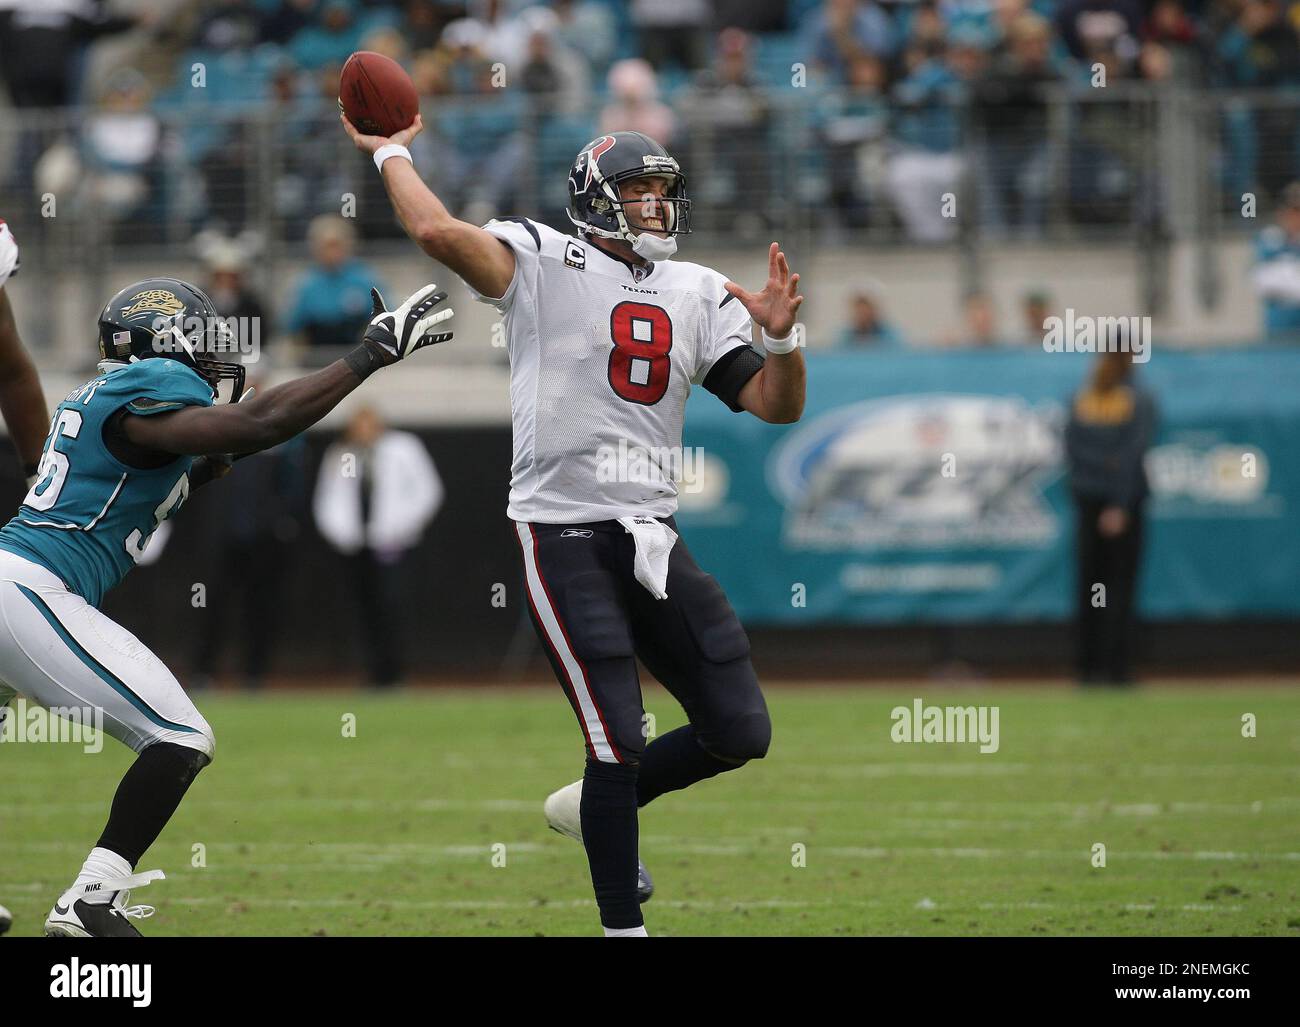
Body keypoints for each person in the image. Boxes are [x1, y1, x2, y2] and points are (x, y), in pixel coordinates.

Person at [342, 114, 805, 937]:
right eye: (640, 191)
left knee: (741, 728)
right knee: (617, 739)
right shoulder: (545, 259)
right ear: (596, 199)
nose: (658, 207)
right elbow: (434, 230)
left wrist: (784, 339)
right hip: (562, 533)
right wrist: (390, 149)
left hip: (652, 533)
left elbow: (776, 405)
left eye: (665, 192)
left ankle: (587, 809)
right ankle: (623, 928)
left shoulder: (695, 289)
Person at [0, 276, 452, 936]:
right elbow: (257, 421)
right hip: (29, 589)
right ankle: (91, 898)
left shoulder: (125, 406)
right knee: (179, 735)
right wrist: (367, 356)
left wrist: (346, 373)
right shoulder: (147, 385)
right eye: (201, 335)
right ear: (157, 345)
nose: (216, 352)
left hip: (17, 581)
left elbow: (247, 435)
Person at [313, 406, 443, 687]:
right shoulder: (342, 455)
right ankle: (373, 673)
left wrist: (400, 527)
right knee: (364, 609)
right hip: (355, 548)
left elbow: (428, 491)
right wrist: (344, 536)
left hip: (394, 545)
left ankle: (395, 671)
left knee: (392, 605)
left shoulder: (403, 448)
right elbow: (328, 501)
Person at [1064, 348, 1157, 686]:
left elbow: (1073, 450)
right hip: (1120, 503)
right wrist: (1117, 502)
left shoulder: (1084, 397)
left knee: (1092, 586)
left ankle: (1089, 667)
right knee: (1117, 587)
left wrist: (1094, 485)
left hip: (1088, 501)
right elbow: (1133, 453)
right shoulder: (1136, 398)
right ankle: (1115, 667)